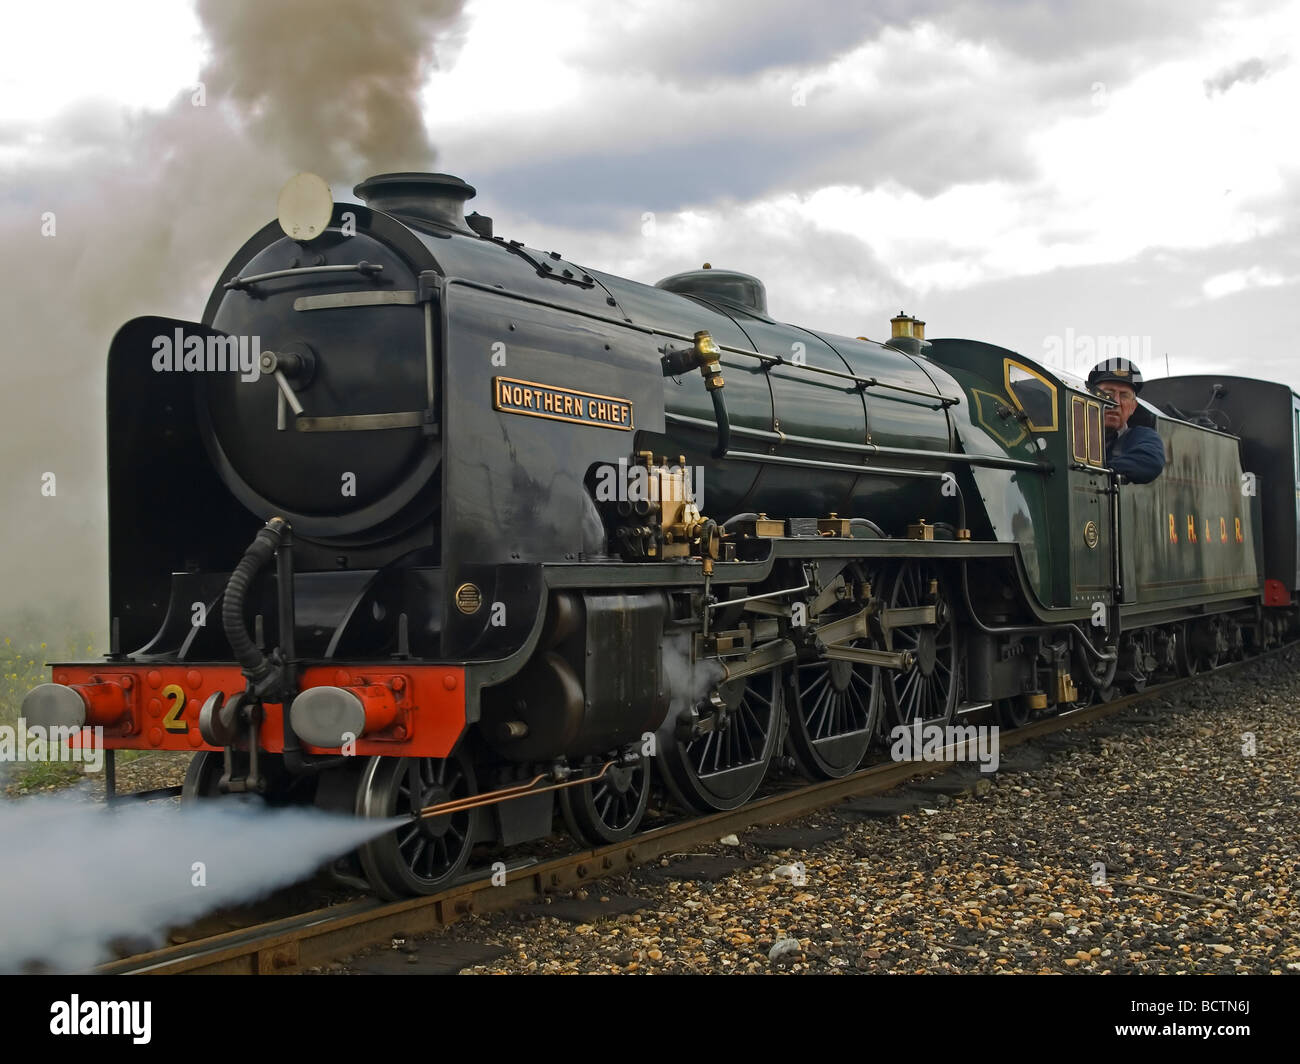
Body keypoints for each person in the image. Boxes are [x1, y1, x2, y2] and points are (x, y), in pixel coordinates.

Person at [1086, 359, 1165, 483]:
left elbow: (1150, 461)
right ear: (1090, 398)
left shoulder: (1142, 437)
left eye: (1124, 396)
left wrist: (1101, 470)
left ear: (1133, 407)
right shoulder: (1071, 432)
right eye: (1107, 393)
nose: (1115, 402)